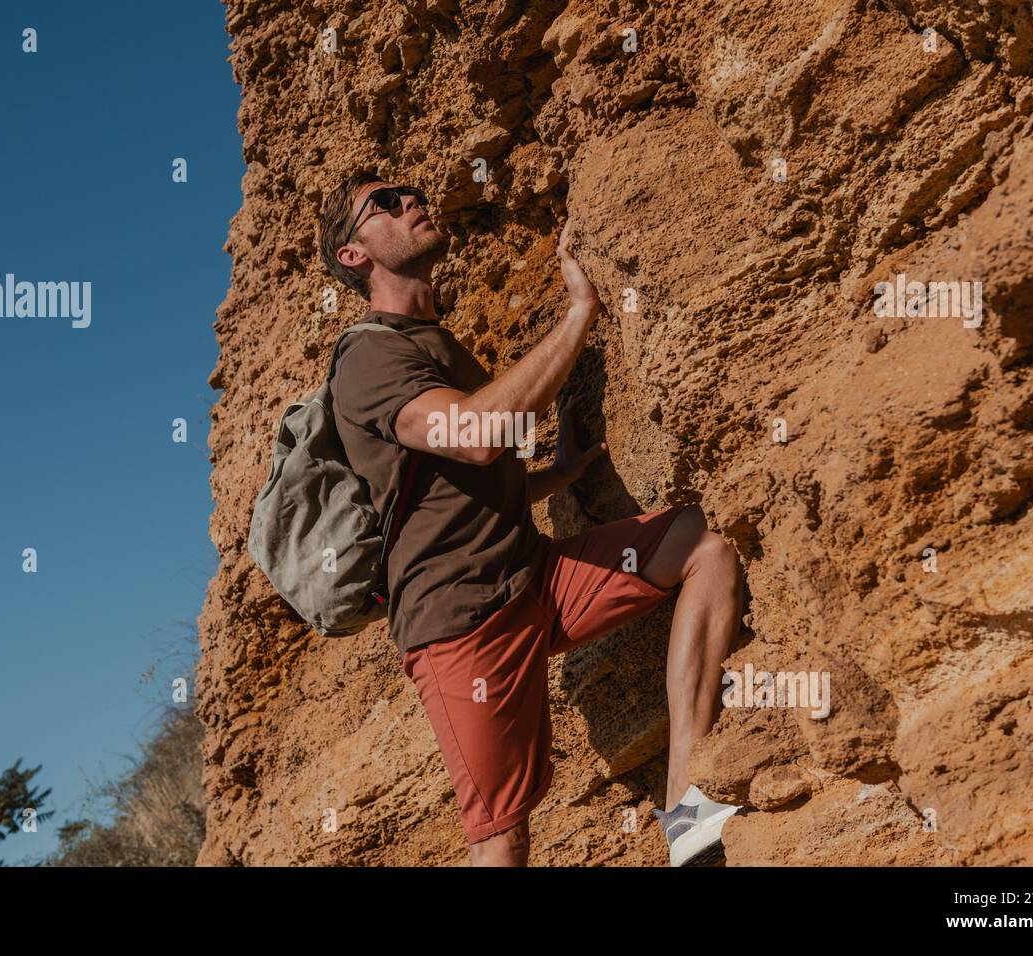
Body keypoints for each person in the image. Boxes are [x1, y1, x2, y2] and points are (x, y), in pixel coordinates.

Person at [316, 170, 745, 866]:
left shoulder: (440, 345)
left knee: (702, 546)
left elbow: (450, 489)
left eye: (412, 190)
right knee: (501, 837)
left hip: (538, 581)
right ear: (353, 254)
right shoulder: (366, 358)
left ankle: (691, 821)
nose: (412, 201)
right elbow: (474, 437)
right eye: (385, 203)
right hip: (461, 626)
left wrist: (558, 475)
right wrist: (579, 314)